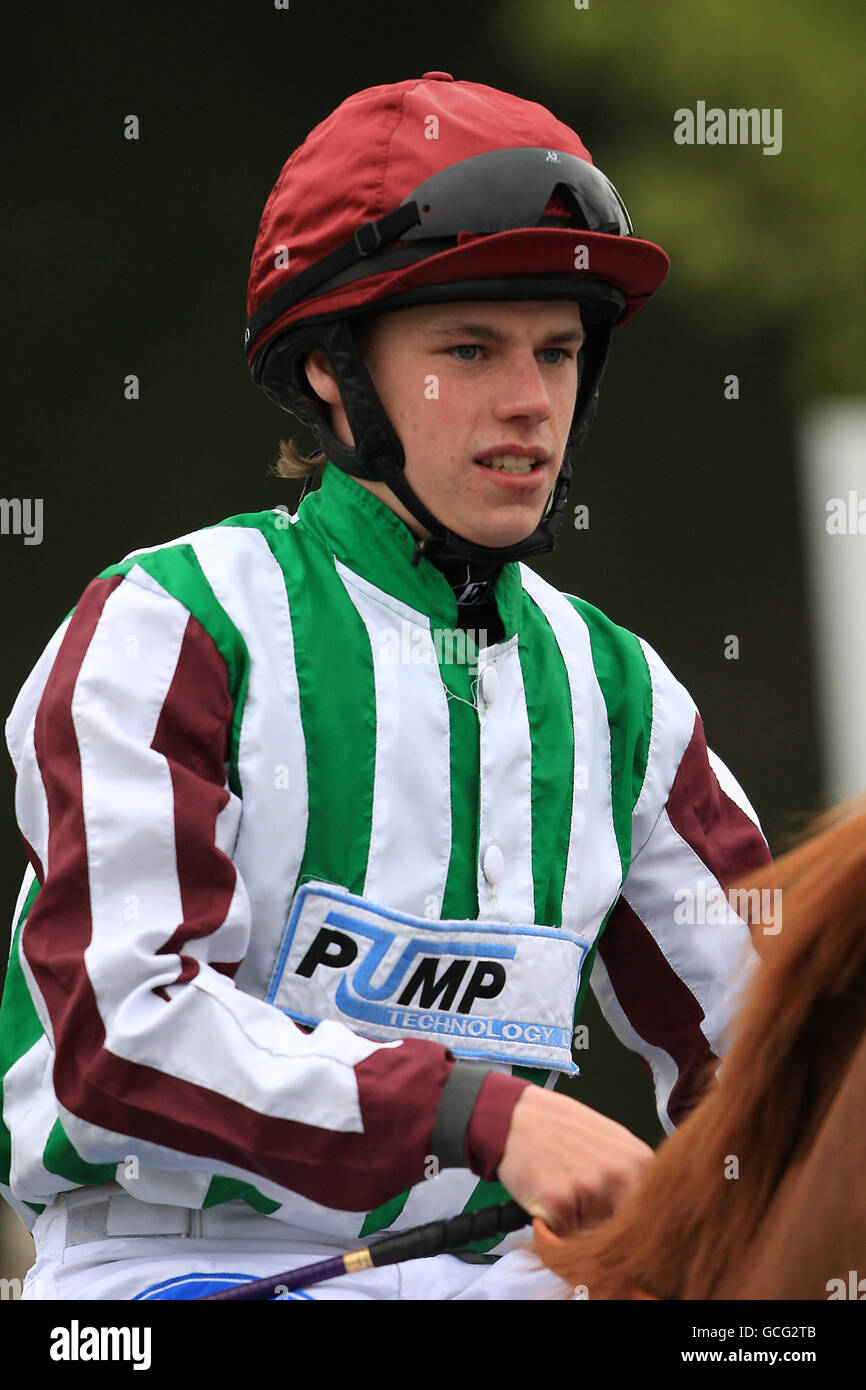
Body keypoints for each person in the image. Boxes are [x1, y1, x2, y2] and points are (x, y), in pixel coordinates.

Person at [1, 73, 772, 1301]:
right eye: (467, 350)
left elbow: (773, 1053)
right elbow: (118, 1030)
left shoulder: (620, 689)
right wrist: (477, 1110)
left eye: (558, 353)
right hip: (170, 1272)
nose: (530, 403)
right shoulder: (170, 625)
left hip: (504, 1275)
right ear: (330, 372)